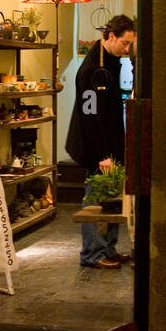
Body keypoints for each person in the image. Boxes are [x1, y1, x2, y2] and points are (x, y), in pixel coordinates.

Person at [65, 14, 136, 269]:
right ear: (111, 36)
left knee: (112, 197)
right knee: (96, 198)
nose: (128, 50)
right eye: (125, 44)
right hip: (95, 145)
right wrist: (103, 154)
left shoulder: (113, 61)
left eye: (131, 45)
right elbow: (90, 115)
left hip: (111, 141)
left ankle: (108, 249)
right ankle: (92, 255)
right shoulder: (91, 70)